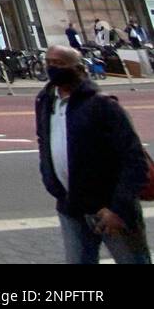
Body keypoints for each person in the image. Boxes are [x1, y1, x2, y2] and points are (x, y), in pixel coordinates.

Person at [35, 45, 150, 265]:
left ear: (77, 68)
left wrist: (118, 208)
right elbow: (44, 142)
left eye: (59, 64)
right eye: (49, 62)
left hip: (109, 208)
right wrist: (52, 183)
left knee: (132, 260)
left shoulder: (102, 105)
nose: (52, 68)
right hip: (70, 205)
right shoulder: (46, 100)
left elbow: (134, 160)